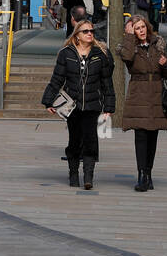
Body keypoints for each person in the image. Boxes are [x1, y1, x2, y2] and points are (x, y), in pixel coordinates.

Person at [42, 19, 115, 189]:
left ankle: (88, 176)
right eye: (85, 31)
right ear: (77, 36)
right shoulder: (66, 53)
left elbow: (107, 83)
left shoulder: (100, 53)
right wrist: (48, 101)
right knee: (74, 141)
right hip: (71, 105)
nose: (90, 34)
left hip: (92, 105)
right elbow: (57, 79)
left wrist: (109, 107)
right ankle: (73, 173)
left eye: (91, 31)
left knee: (90, 140)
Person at [117, 15, 167, 192]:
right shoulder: (128, 47)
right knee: (141, 135)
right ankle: (141, 175)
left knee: (152, 136)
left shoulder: (158, 44)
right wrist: (128, 37)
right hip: (138, 93)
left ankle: (148, 173)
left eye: (142, 27)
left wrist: (165, 64)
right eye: (136, 28)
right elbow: (126, 59)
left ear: (147, 27)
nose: (140, 31)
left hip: (156, 93)